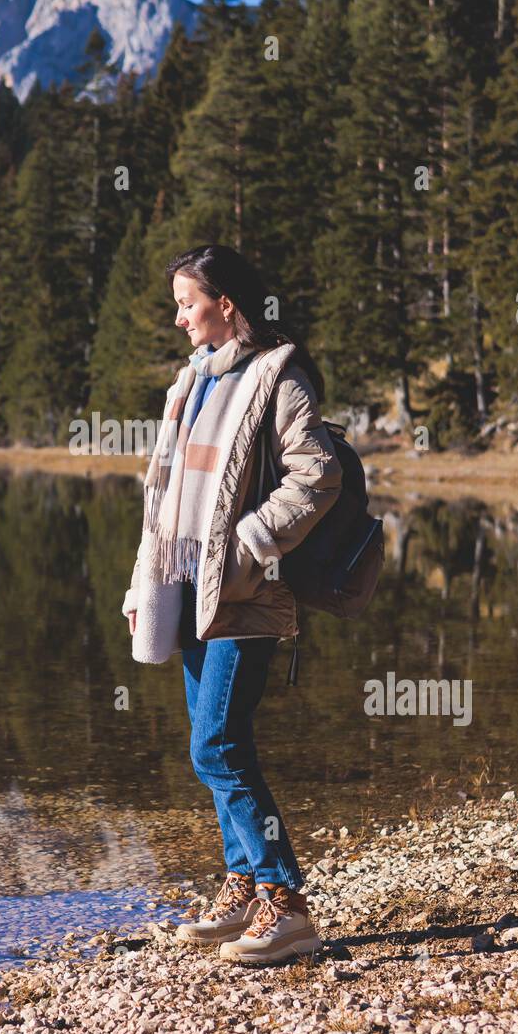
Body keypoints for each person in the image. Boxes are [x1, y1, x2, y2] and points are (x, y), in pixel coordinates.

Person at [121, 244, 342, 964]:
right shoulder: (191, 382)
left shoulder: (280, 376)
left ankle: (287, 903)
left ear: (226, 303)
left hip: (246, 590)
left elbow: (317, 476)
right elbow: (163, 496)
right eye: (179, 305)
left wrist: (251, 540)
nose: (180, 317)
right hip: (187, 587)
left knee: (215, 745)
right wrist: (140, 584)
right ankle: (243, 883)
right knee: (217, 745)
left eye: (189, 303)